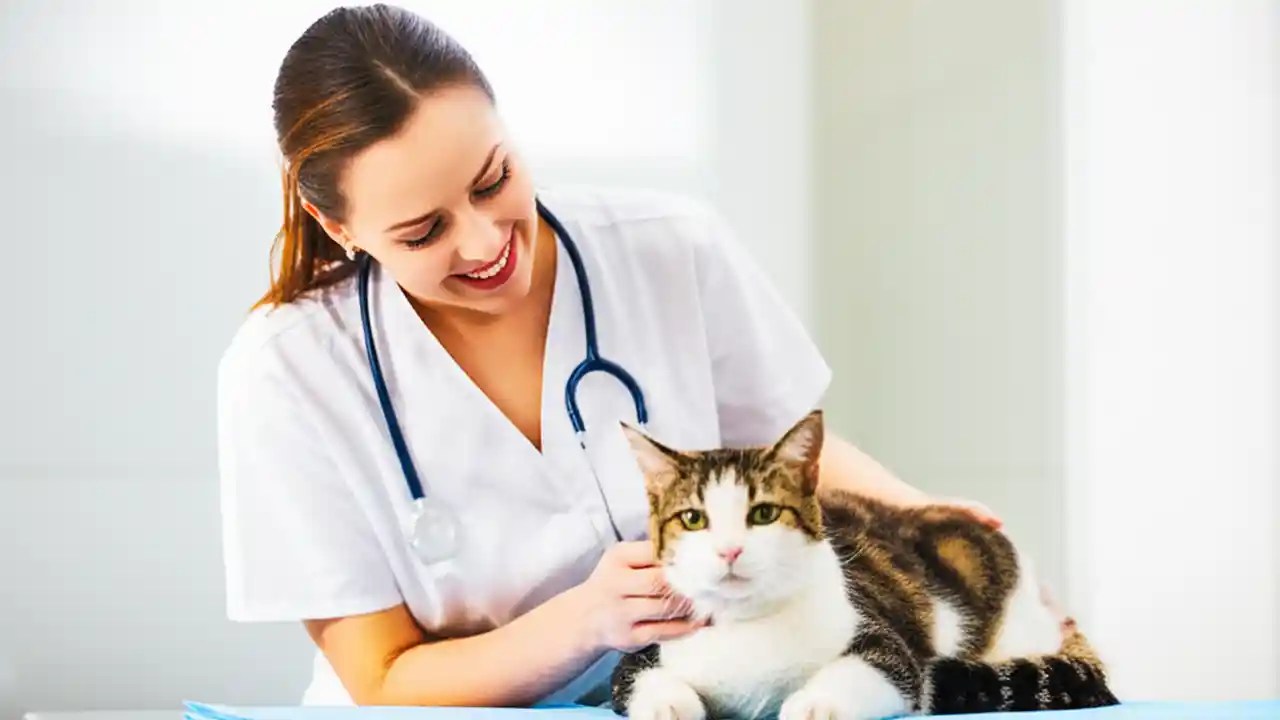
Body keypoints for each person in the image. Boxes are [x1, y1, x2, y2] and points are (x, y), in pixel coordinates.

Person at [216, 4, 1001, 708]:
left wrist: (928, 515)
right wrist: (583, 624)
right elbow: (382, 678)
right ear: (338, 225)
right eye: (424, 232)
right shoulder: (288, 372)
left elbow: (786, 462)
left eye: (494, 179)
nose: (487, 243)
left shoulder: (668, 248)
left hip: (699, 691)